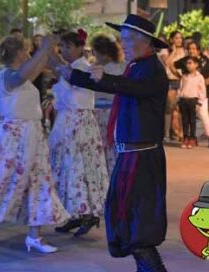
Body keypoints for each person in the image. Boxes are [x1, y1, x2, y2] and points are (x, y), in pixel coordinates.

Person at [60, 14, 169, 271]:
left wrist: (106, 79)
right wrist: (73, 75)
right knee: (128, 221)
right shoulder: (136, 66)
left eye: (127, 39)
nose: (123, 44)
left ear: (144, 41)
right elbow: (117, 86)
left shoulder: (152, 69)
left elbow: (133, 88)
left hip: (143, 157)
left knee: (138, 226)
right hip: (131, 154)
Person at [0, 35, 69, 253]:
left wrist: (48, 49)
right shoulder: (6, 75)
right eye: (26, 50)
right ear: (20, 52)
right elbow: (21, 76)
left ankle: (35, 236)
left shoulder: (25, 72)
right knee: (2, 179)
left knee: (38, 180)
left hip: (33, 133)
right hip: (13, 136)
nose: (28, 53)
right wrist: (43, 48)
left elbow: (38, 69)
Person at [48, 29, 109, 237]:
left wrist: (47, 50)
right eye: (61, 46)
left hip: (79, 122)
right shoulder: (73, 67)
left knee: (79, 167)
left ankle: (86, 212)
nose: (63, 50)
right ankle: (73, 212)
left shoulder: (82, 67)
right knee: (68, 167)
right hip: (67, 120)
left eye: (67, 46)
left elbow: (62, 73)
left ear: (79, 48)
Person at [91, 34, 126, 176]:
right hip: (117, 113)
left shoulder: (96, 69)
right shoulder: (123, 67)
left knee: (102, 148)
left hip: (102, 113)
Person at [178, 56, 207, 148]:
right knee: (185, 121)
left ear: (196, 64)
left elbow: (202, 91)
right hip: (183, 100)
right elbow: (180, 89)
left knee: (192, 121)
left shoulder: (199, 77)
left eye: (190, 63)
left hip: (193, 100)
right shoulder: (184, 76)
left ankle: (192, 138)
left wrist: (200, 102)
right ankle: (185, 137)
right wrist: (178, 100)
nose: (188, 65)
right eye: (187, 63)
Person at [163, 31, 185, 142]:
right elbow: (166, 62)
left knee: (179, 109)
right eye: (176, 38)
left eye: (180, 38)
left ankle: (179, 133)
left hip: (180, 81)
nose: (179, 40)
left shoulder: (183, 52)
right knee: (169, 108)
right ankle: (166, 135)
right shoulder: (165, 50)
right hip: (170, 81)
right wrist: (174, 52)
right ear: (171, 39)